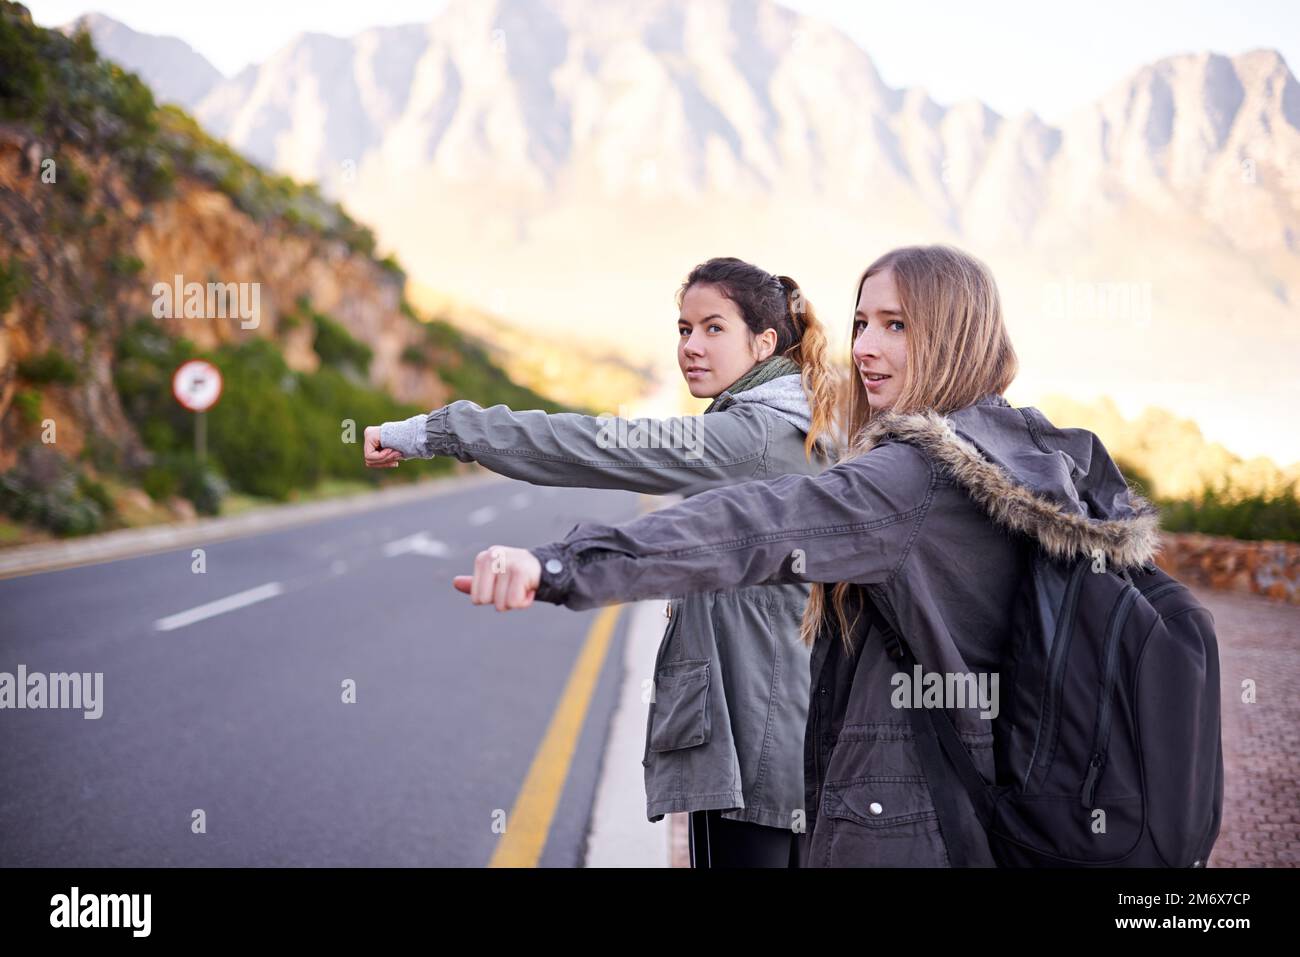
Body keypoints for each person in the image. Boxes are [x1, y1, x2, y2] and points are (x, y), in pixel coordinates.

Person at [451, 244, 1163, 867]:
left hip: (904, 811)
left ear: (954, 334)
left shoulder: (908, 477)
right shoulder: (1046, 451)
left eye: (897, 325)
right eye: (861, 323)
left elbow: (749, 526)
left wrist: (562, 566)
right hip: (1003, 797)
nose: (865, 348)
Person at [364, 257, 840, 867]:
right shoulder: (802, 426)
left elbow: (597, 446)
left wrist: (440, 430)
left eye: (713, 328)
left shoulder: (753, 439)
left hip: (756, 751)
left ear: (764, 342)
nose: (690, 346)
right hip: (786, 740)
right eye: (683, 329)